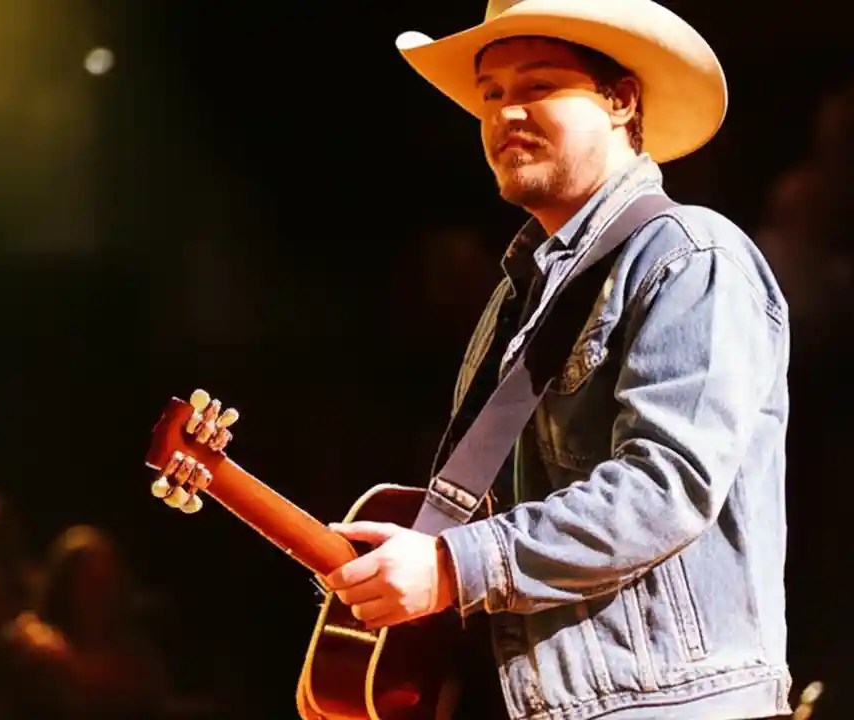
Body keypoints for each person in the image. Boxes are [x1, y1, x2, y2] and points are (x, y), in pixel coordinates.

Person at [318, 1, 792, 719]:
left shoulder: (692, 254)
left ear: (620, 101)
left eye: (537, 86)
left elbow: (666, 486)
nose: (506, 114)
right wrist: (418, 563)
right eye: (492, 94)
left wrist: (452, 566)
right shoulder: (518, 296)